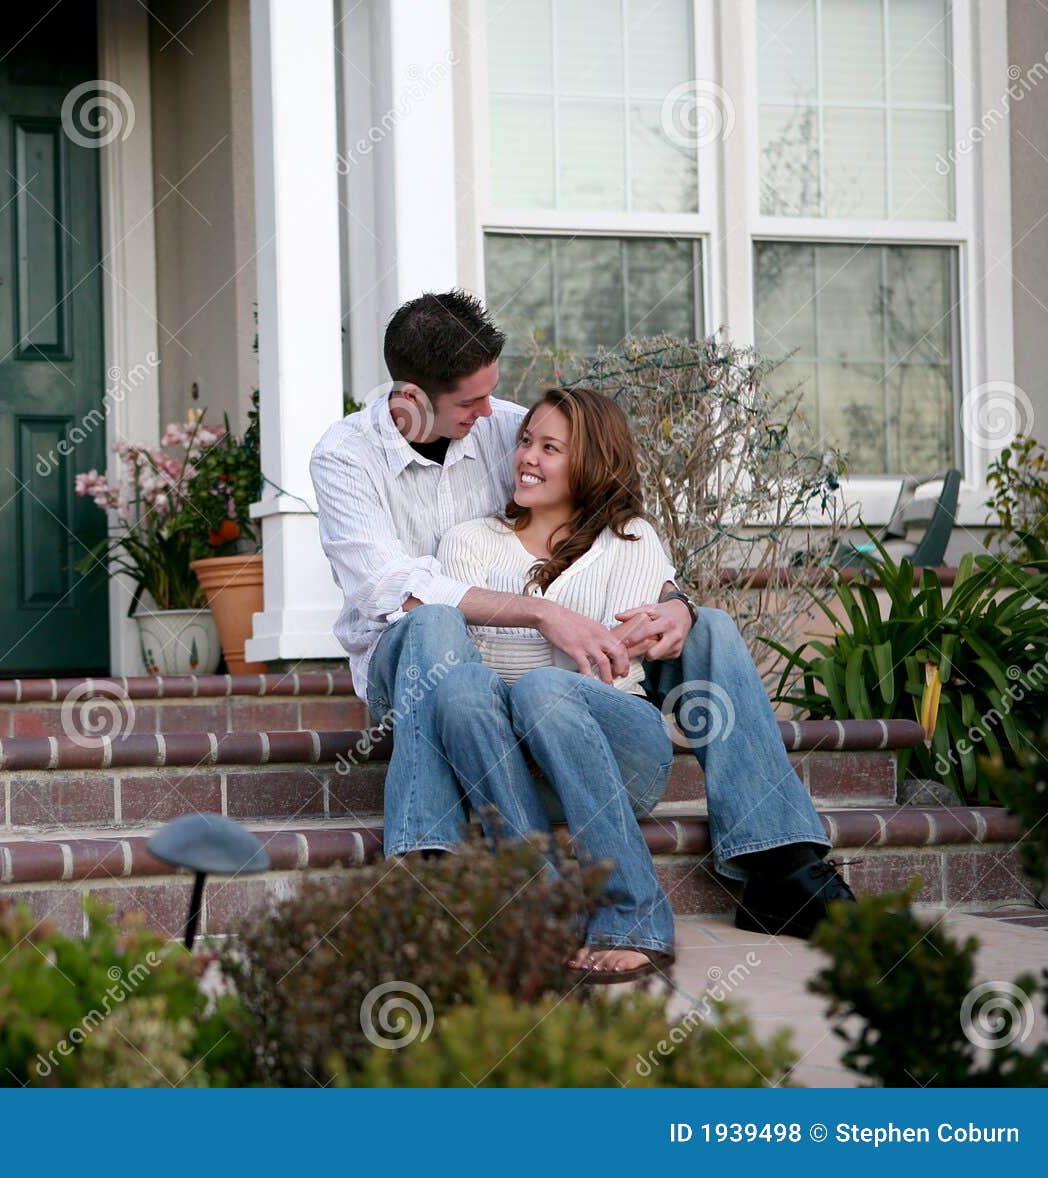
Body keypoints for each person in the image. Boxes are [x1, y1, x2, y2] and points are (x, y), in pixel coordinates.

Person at [309, 291, 854, 981]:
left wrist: (675, 604)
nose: (493, 418)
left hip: (547, 691)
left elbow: (605, 506)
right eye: (472, 402)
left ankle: (780, 863)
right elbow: (393, 589)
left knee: (708, 627)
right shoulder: (345, 456)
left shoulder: (507, 425)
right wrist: (541, 613)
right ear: (412, 399)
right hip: (413, 670)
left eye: (494, 396)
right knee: (438, 626)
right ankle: (431, 863)